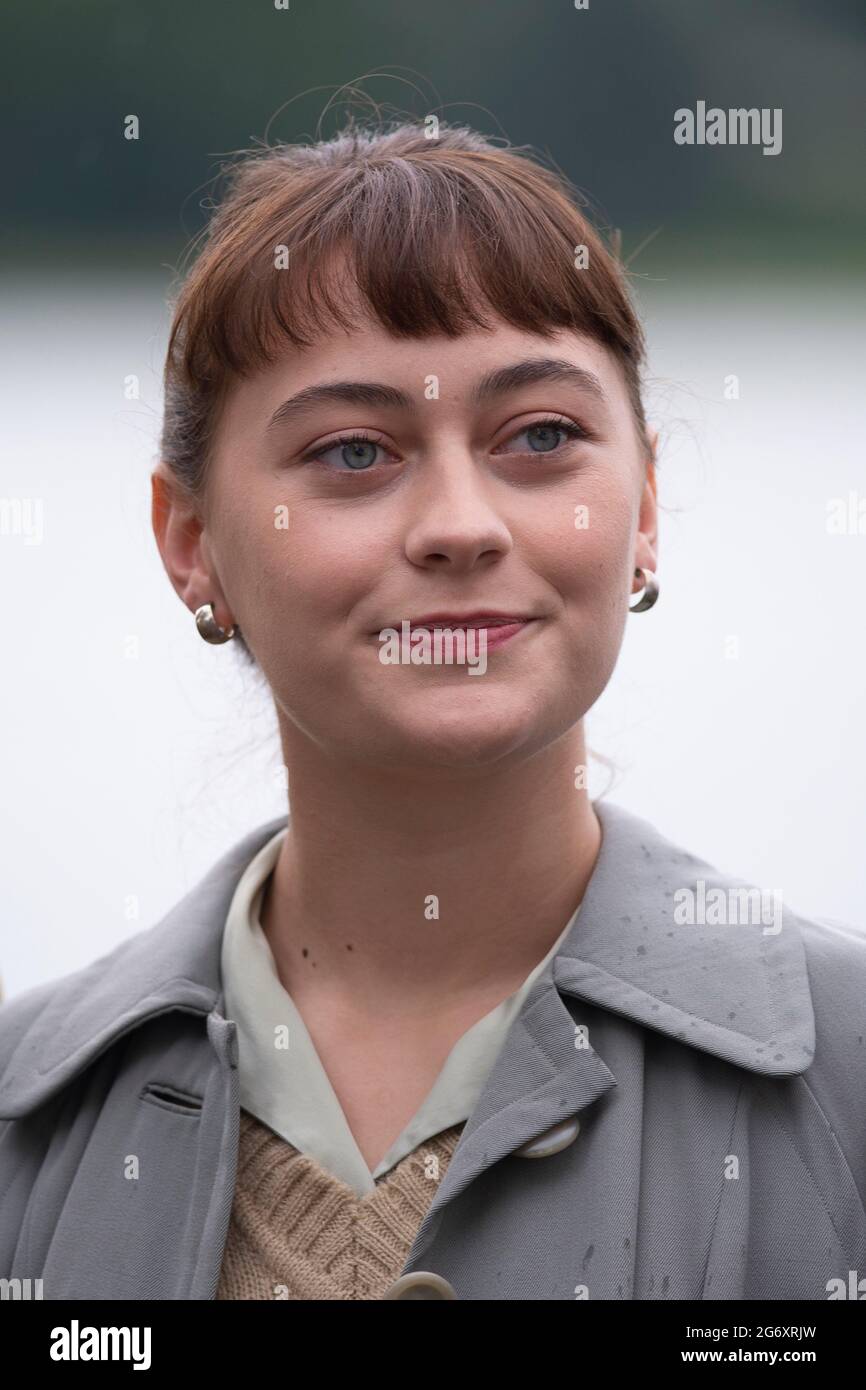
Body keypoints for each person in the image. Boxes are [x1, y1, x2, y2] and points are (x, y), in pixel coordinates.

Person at [1, 119, 863, 1301]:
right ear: (191, 544)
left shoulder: (844, 1083)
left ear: (645, 508)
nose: (460, 523)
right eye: (354, 452)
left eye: (540, 436)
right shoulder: (28, 1126)